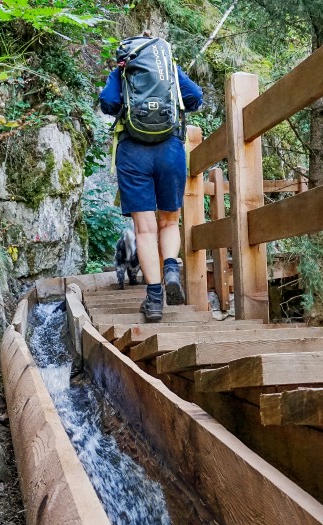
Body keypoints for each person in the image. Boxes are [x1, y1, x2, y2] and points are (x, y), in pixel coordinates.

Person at [98, 34, 203, 322]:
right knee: (169, 221)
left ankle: (154, 300)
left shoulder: (122, 70)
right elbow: (194, 97)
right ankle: (171, 267)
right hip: (170, 150)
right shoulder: (169, 67)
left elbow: (108, 102)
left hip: (133, 152)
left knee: (144, 230)